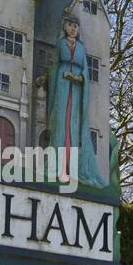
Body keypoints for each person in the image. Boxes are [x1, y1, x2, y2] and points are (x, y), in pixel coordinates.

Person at [46, 14, 106, 186]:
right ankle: (59, 168)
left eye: (75, 26)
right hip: (62, 86)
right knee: (61, 126)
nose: (73, 28)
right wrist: (50, 79)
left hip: (77, 91)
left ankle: (73, 169)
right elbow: (54, 66)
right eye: (70, 25)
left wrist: (79, 78)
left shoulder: (81, 47)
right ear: (65, 27)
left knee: (74, 128)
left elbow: (85, 72)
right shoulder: (60, 44)